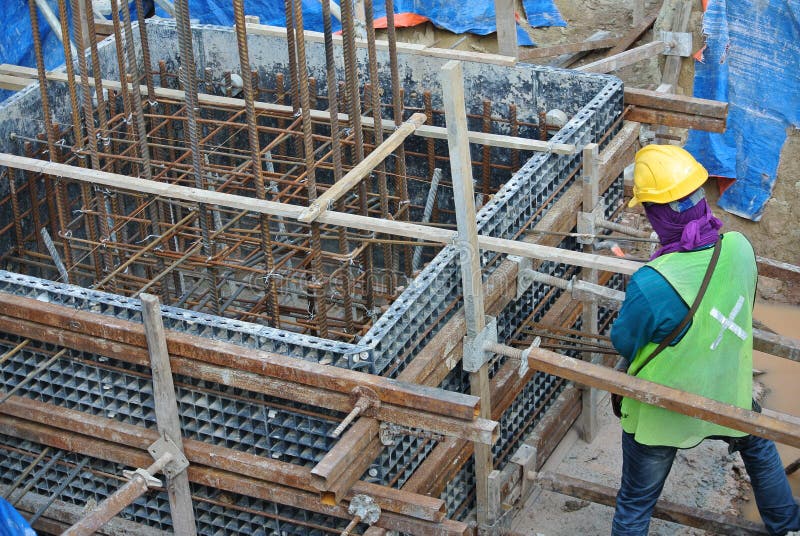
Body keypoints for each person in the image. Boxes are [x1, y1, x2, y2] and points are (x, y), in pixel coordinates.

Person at [609, 144, 800, 536]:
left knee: (635, 502)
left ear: (657, 214)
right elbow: (739, 307)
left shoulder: (652, 281)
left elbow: (624, 343)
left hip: (664, 406)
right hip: (727, 388)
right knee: (759, 445)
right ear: (700, 198)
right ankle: (788, 525)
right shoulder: (740, 249)